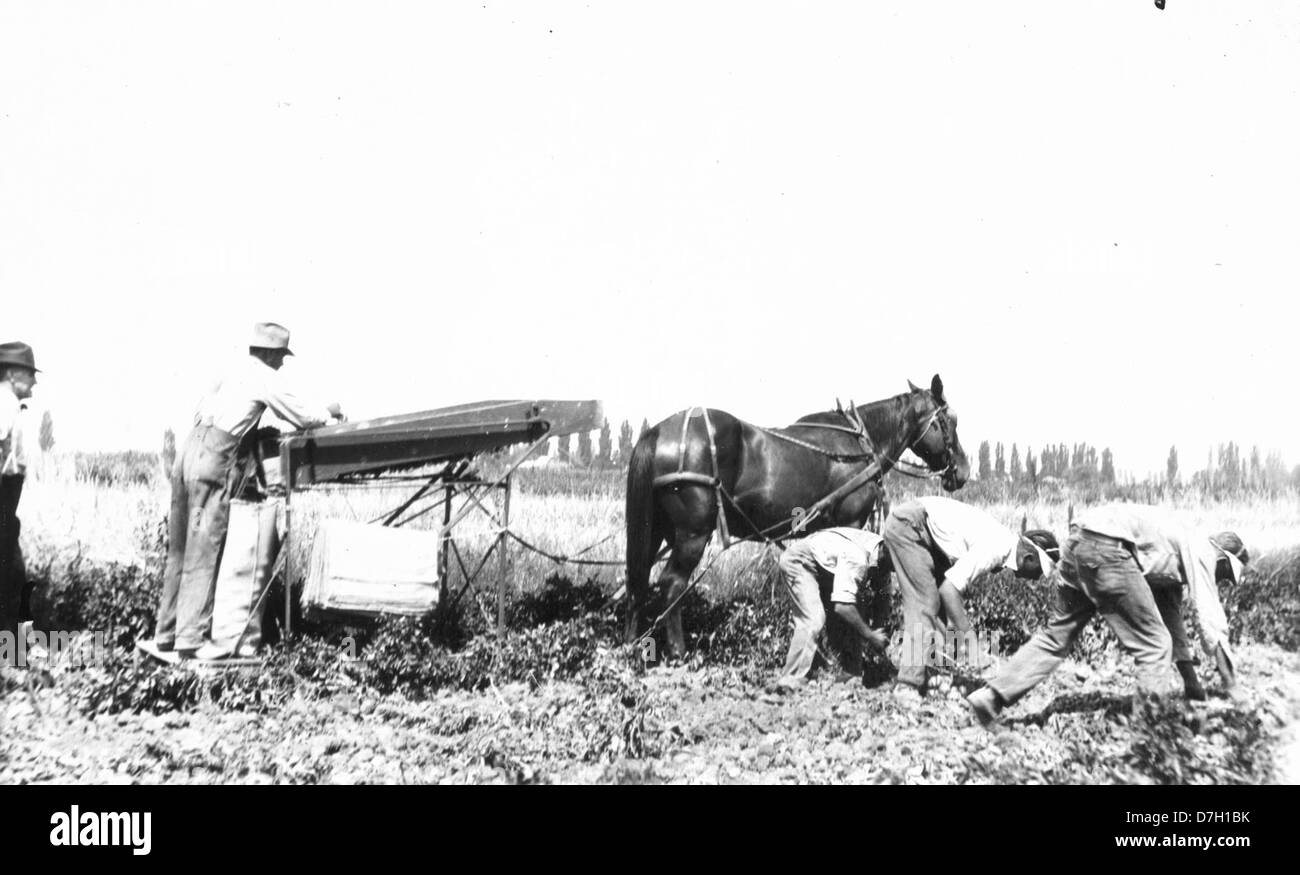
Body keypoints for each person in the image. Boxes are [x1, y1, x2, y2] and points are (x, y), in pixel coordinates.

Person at [144, 323, 344, 660]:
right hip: (214, 457)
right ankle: (191, 640)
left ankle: (167, 633)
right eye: (280, 356)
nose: (281, 363)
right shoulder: (264, 375)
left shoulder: (229, 370)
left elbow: (202, 412)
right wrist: (330, 414)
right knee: (204, 548)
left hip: (189, 450)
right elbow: (302, 415)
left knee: (180, 547)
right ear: (267, 353)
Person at [966, 504, 1247, 727]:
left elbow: (1173, 620)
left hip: (1079, 542)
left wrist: (1192, 685)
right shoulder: (1201, 549)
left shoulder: (1174, 553)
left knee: (1056, 638)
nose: (1222, 581)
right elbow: (1209, 616)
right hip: (1108, 546)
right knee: (1155, 646)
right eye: (1227, 575)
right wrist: (1233, 687)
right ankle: (1149, 737)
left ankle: (990, 697)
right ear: (1224, 559)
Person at [881, 496, 1059, 701]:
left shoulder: (1003, 546)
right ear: (1028, 557)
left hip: (926, 534)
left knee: (937, 606)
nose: (1036, 578)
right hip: (910, 526)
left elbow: (949, 593)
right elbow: (950, 590)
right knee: (925, 602)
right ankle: (907, 686)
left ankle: (933, 675)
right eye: (1038, 572)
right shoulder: (997, 546)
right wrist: (971, 643)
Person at [769, 525, 894, 693]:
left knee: (857, 611)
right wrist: (871, 635)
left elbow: (883, 598)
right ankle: (790, 680)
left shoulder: (882, 556)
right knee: (813, 618)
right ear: (888, 553)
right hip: (800, 561)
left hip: (825, 566)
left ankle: (850, 673)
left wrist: (879, 627)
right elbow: (843, 607)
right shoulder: (858, 557)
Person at [0, 342, 37, 656]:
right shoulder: (4, 402)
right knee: (12, 572)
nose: (34, 382)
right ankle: (18, 648)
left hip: (7, 499)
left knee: (12, 570)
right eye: (29, 374)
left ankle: (17, 646)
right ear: (12, 374)